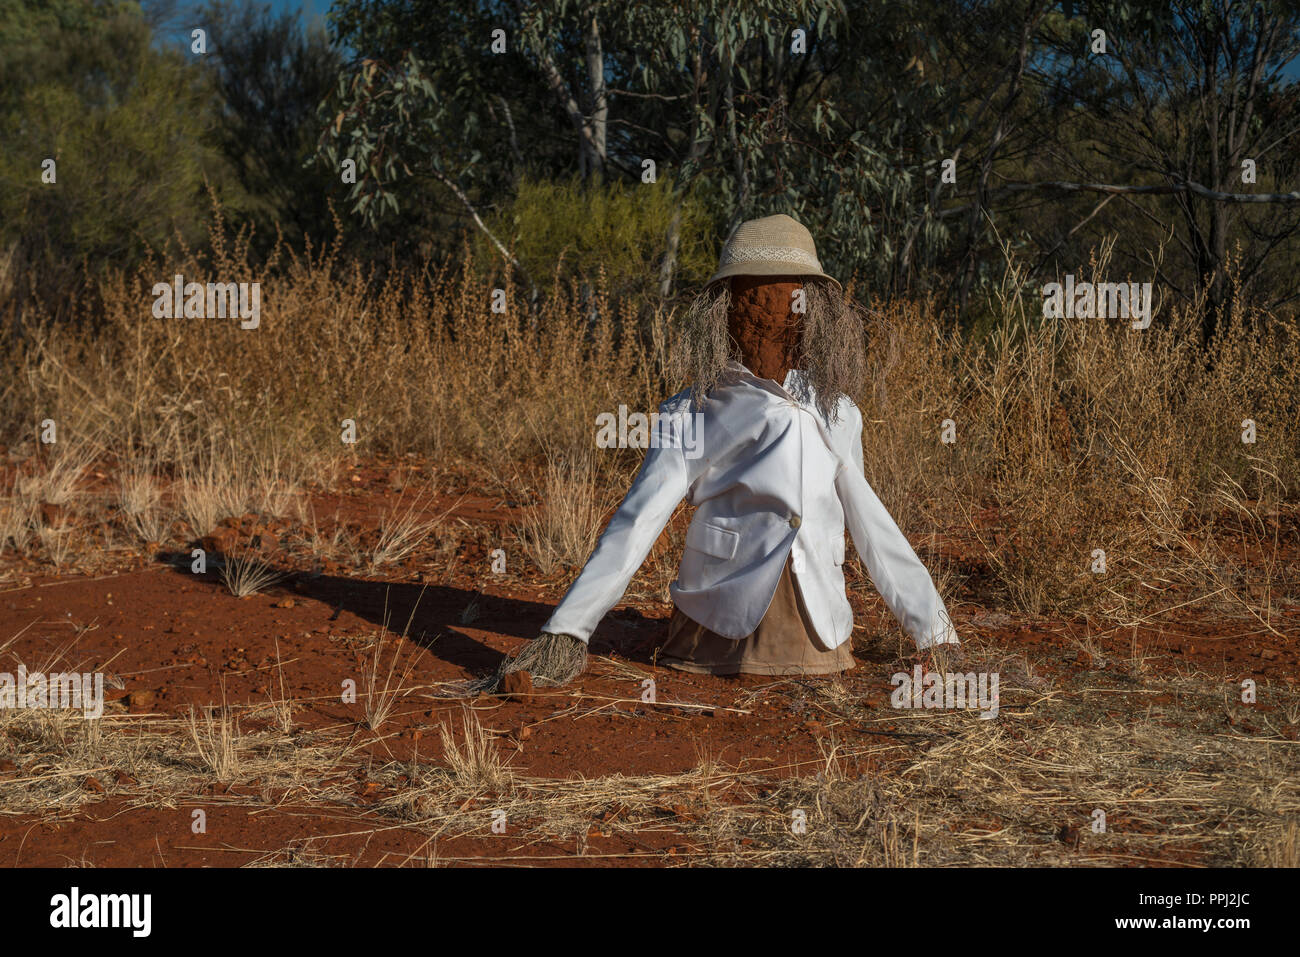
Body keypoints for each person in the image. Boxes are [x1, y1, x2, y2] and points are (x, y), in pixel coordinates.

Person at [482, 213, 958, 689]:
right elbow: (639, 520)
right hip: (718, 618)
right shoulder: (691, 412)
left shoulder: (837, 411)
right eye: (753, 297)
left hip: (821, 618)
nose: (775, 312)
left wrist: (933, 631)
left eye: (793, 298)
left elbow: (872, 523)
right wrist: (568, 629)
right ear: (725, 310)